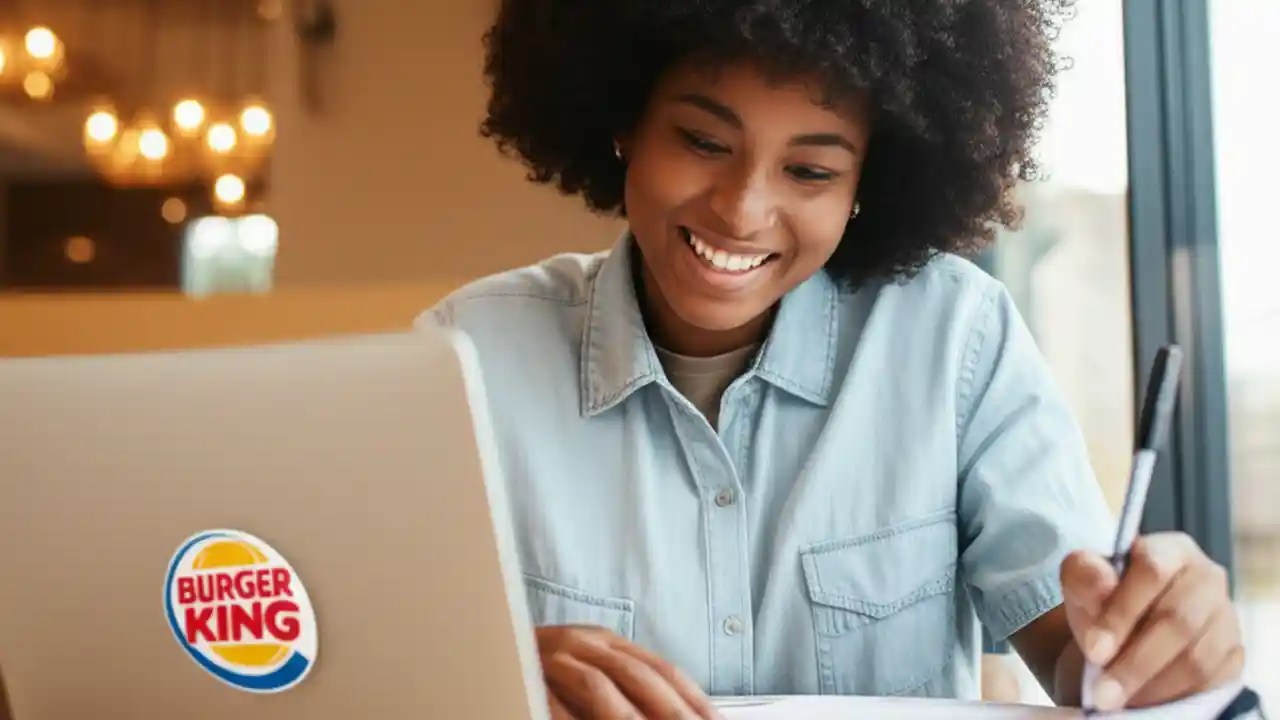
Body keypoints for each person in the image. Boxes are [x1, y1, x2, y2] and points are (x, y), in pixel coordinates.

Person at [418, 1, 1245, 718]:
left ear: (866, 186)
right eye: (704, 141)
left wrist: (1156, 644)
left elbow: (1081, 661)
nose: (743, 210)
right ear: (625, 125)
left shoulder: (954, 338)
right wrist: (496, 681)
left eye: (810, 170)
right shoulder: (466, 360)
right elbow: (343, 661)